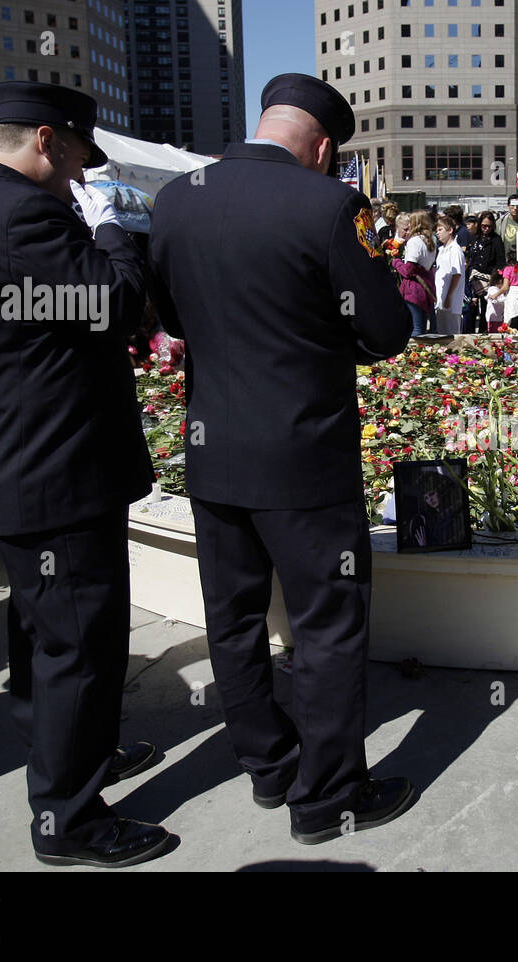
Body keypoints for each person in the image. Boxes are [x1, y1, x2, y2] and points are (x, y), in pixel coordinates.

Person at [148, 73, 415, 846]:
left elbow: (172, 317)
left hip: (213, 453)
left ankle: (268, 768)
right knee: (327, 627)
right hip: (304, 460)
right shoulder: (329, 205)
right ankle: (328, 798)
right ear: (325, 147)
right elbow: (388, 328)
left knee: (232, 621)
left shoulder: (176, 198)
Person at [0, 80, 168, 867]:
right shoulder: (25, 215)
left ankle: (73, 756)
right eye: (73, 164)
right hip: (57, 468)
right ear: (46, 141)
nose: (76, 179)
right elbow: (112, 301)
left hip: (16, 457)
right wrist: (108, 230)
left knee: (42, 641)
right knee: (80, 645)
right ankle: (69, 816)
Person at [393, 210, 436, 336]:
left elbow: (408, 270)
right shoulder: (430, 240)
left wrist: (395, 263)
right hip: (426, 285)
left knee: (415, 329)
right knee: (421, 327)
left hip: (414, 288)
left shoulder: (415, 241)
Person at [462, 210, 504, 335]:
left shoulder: (496, 240)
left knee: (487, 310)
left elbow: (501, 262)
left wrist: (494, 280)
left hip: (489, 280)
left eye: (489, 226)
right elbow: (471, 258)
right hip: (473, 279)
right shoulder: (475, 239)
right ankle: (470, 335)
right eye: (483, 226)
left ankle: (485, 333)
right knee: (471, 309)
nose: (486, 229)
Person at [434, 213, 465, 334]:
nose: (438, 233)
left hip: (451, 301)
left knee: (451, 333)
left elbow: (456, 274)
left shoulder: (455, 250)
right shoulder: (441, 250)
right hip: (441, 299)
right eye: (437, 230)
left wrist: (448, 296)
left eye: (440, 229)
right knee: (442, 332)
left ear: (450, 230)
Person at [496, 193, 518, 261]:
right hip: (505, 259)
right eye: (512, 205)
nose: (515, 208)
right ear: (508, 206)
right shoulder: (500, 223)